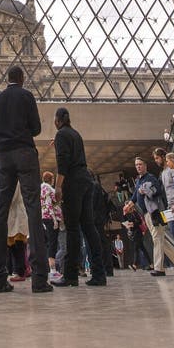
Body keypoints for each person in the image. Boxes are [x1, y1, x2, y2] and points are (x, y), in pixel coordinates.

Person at [0, 65, 52, 293]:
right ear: (22, 78)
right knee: (33, 209)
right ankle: (39, 278)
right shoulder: (26, 96)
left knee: (0, 212)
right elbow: (36, 128)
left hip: (4, 157)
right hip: (25, 153)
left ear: (8, 78)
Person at [52, 106, 106, 287]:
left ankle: (70, 276)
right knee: (89, 227)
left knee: (73, 229)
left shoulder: (61, 135)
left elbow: (63, 163)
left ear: (57, 121)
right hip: (85, 180)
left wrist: (58, 187)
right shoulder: (75, 134)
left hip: (73, 183)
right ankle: (99, 273)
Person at [124, 157, 174, 277]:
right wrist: (128, 205)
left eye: (140, 164)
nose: (138, 166)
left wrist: (146, 190)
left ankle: (159, 268)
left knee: (157, 238)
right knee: (160, 239)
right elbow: (135, 196)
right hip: (146, 214)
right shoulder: (138, 180)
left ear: (145, 165)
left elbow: (158, 190)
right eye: (136, 165)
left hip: (154, 212)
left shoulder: (150, 177)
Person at [41, 171, 62, 280]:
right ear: (51, 179)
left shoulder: (41, 187)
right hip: (50, 218)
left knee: (49, 243)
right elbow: (49, 204)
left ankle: (50, 270)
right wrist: (54, 220)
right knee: (52, 244)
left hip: (44, 217)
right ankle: (53, 270)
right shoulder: (48, 188)